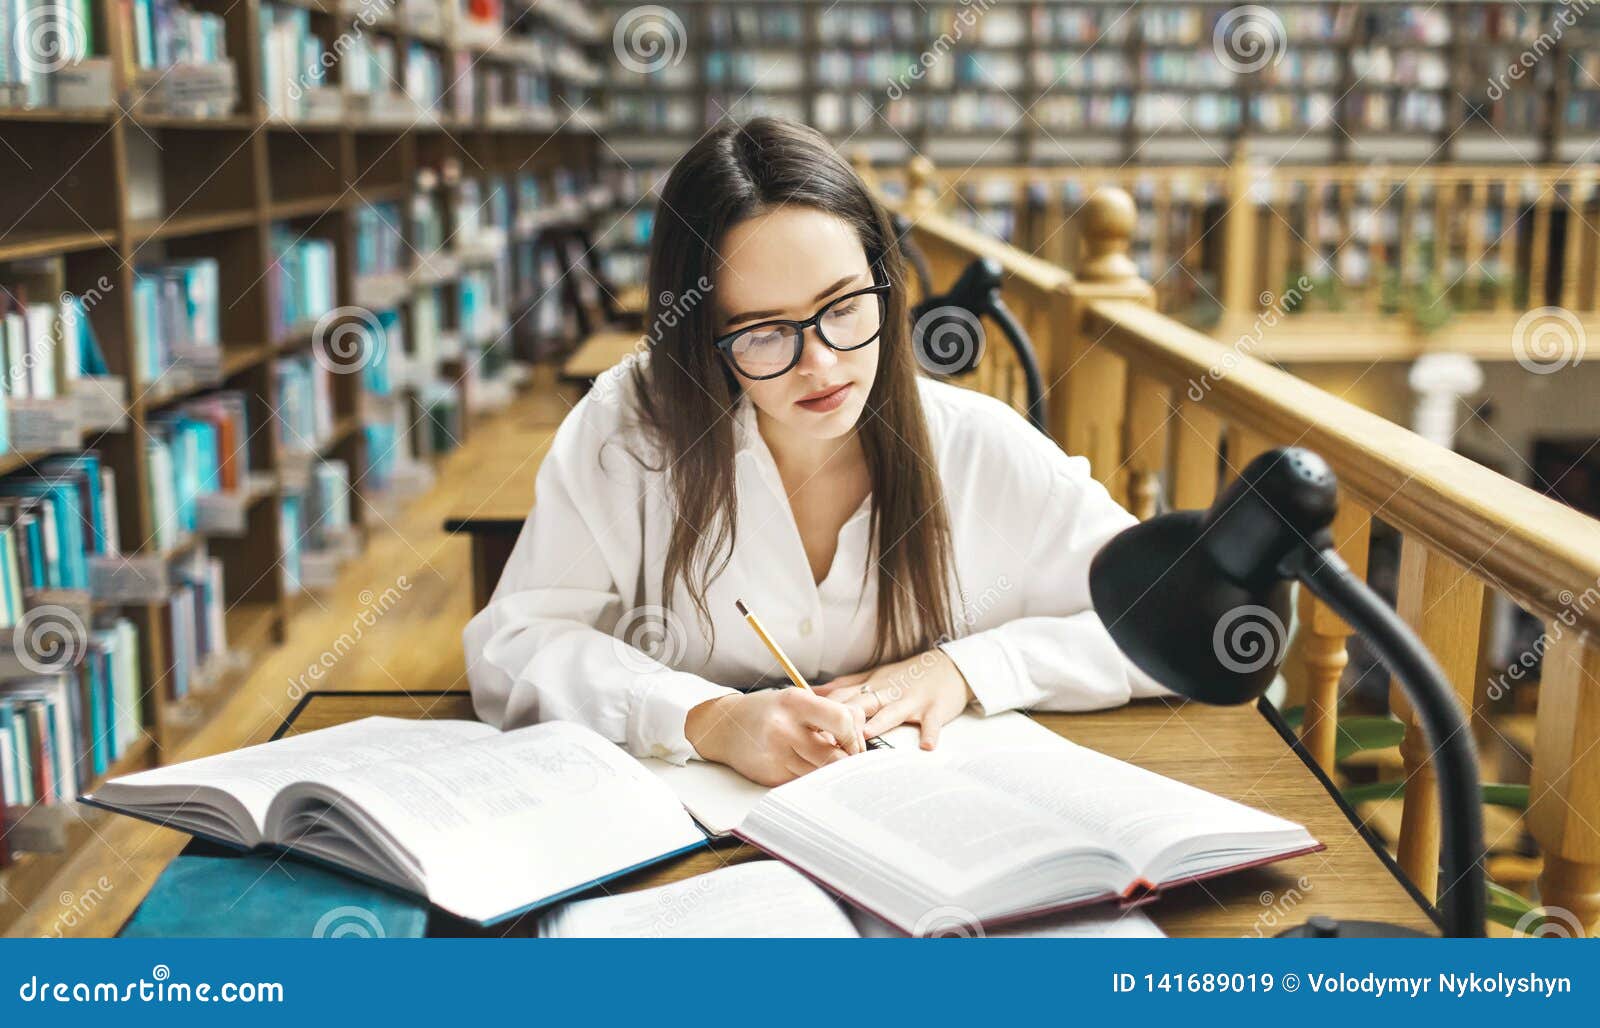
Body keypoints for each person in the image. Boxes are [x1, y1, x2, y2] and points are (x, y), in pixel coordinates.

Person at [464, 117, 1166, 787]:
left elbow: (1173, 620)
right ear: (700, 341)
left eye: (844, 306)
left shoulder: (977, 445)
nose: (823, 364)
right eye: (765, 332)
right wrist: (707, 718)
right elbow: (511, 647)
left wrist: (969, 668)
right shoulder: (628, 435)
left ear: (884, 283)